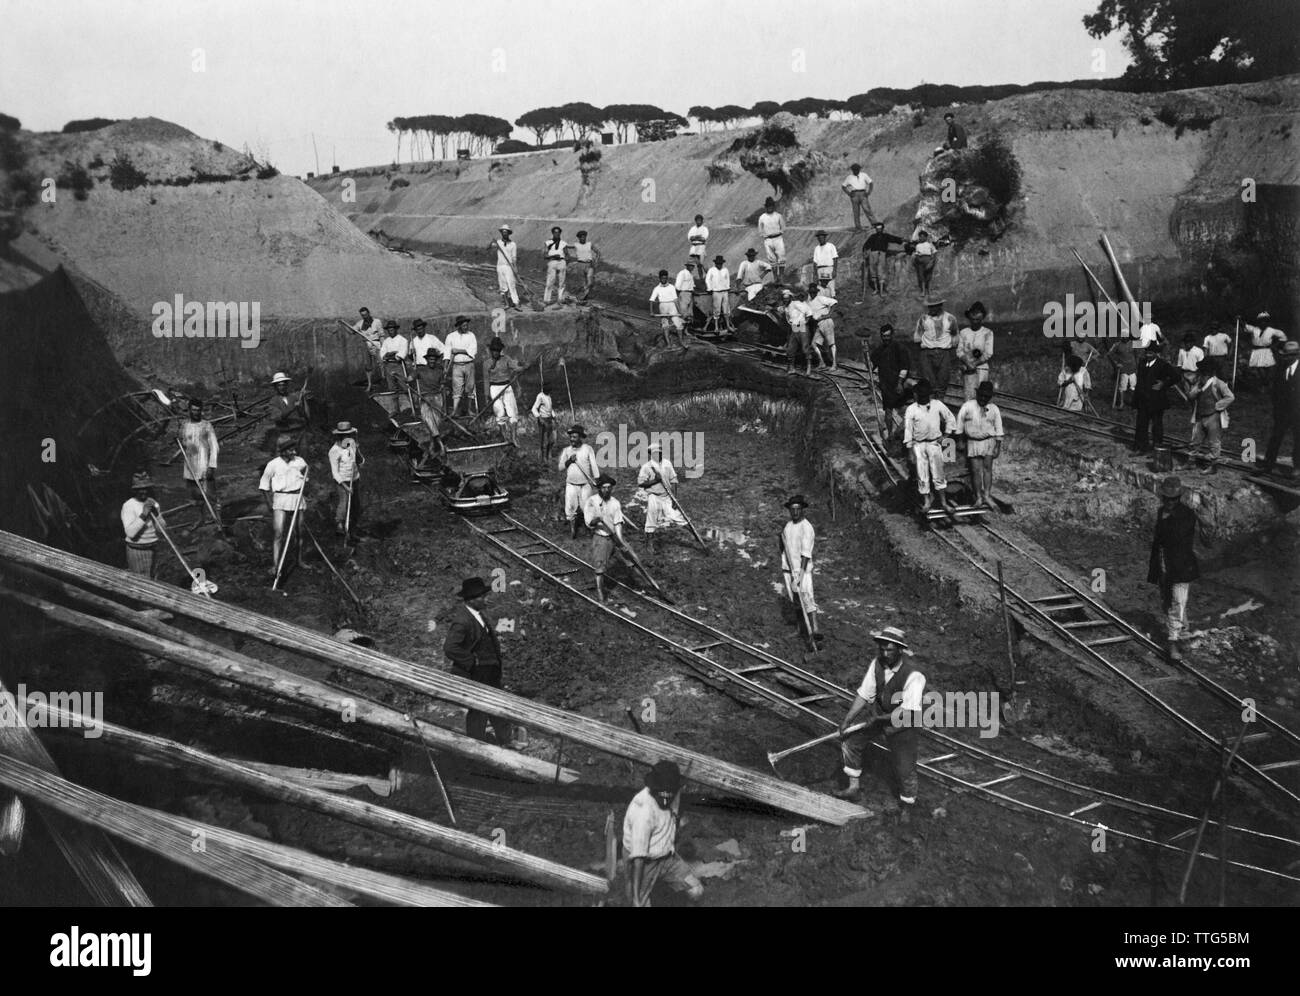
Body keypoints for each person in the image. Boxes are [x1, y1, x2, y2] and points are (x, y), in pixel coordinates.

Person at [835, 627, 924, 814]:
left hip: (904, 723)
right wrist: (847, 720)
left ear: (900, 649)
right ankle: (853, 788)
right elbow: (864, 693)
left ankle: (907, 807)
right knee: (851, 741)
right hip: (880, 715)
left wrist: (878, 720)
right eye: (882, 649)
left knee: (904, 767)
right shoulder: (877, 663)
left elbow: (906, 711)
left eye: (889, 650)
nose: (885, 653)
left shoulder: (914, 675)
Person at [443, 576, 520, 746]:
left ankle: (505, 741)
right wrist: (473, 661)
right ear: (471, 600)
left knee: (497, 706)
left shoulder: (479, 615)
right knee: (479, 710)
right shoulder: (463, 620)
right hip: (476, 673)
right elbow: (450, 648)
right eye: (482, 597)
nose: (486, 599)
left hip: (489, 672)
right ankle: (474, 747)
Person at [622, 760, 703, 907]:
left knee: (696, 889)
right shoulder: (643, 811)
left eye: (670, 794)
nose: (666, 798)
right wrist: (636, 899)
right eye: (663, 794)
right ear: (654, 789)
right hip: (645, 862)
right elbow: (638, 858)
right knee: (638, 903)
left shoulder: (672, 792)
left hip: (667, 856)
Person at [1147, 476, 1199, 661]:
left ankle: (1173, 643)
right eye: (1167, 499)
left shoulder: (1187, 515)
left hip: (1181, 566)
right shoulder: (1162, 512)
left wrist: (1169, 519)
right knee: (1169, 602)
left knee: (1177, 602)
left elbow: (1177, 537)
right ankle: (1183, 635)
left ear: (1179, 498)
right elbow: (1158, 540)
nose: (1170, 502)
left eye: (1174, 499)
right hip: (1164, 564)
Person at [259, 434, 310, 577]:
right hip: (280, 499)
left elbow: (306, 475)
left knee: (300, 531)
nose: (293, 452)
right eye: (290, 449)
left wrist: (306, 474)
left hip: (297, 499)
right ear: (282, 451)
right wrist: (270, 504)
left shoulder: (300, 462)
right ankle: (276, 566)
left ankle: (299, 560)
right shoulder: (273, 464)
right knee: (278, 533)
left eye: (294, 448)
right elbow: (264, 486)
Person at [903, 379, 956, 513]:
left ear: (929, 395)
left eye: (925, 395)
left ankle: (943, 503)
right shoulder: (911, 409)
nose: (923, 397)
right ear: (917, 395)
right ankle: (927, 502)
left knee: (939, 473)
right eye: (920, 394)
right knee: (922, 475)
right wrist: (910, 451)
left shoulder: (937, 405)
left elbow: (950, 418)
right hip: (918, 445)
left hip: (934, 443)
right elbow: (908, 430)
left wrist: (946, 435)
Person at [779, 494, 821, 642]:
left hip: (801, 571)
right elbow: (783, 546)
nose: (795, 512)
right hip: (788, 569)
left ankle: (814, 631)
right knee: (795, 600)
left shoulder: (806, 528)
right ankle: (800, 629)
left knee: (807, 599)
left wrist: (800, 576)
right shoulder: (788, 527)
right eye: (792, 509)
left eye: (798, 509)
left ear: (802, 510)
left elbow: (806, 554)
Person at [956, 382, 1004, 508]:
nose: (983, 399)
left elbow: (999, 428)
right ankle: (978, 497)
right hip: (973, 442)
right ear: (977, 394)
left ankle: (987, 495)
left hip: (989, 441)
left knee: (987, 469)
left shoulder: (994, 409)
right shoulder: (968, 406)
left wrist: (997, 446)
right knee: (975, 470)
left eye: (986, 397)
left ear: (990, 397)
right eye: (981, 395)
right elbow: (959, 424)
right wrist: (960, 440)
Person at [1186, 358, 1234, 474]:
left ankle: (1213, 466)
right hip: (1200, 415)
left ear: (1210, 373)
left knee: (1214, 442)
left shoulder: (1218, 384)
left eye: (1205, 372)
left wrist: (1218, 406)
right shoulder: (1199, 383)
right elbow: (1190, 396)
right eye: (1202, 372)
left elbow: (1230, 397)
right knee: (1195, 440)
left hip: (1213, 416)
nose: (1202, 374)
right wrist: (1197, 390)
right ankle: (1191, 462)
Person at [1260, 340, 1300, 478]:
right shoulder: (1281, 369)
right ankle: (1268, 465)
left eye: (1288, 356)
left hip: (1298, 412)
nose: (1285, 358)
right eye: (1284, 356)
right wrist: (1277, 409)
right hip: (1282, 412)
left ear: (1296, 356)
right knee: (1275, 437)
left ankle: (1297, 467)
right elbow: (1275, 391)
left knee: (1298, 440)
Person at [178, 397, 221, 524]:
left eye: (198, 410)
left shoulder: (207, 425)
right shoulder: (184, 426)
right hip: (190, 465)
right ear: (189, 410)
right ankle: (201, 519)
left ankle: (218, 520)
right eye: (193, 410)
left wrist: (211, 466)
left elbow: (214, 447)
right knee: (196, 496)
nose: (195, 412)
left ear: (201, 411)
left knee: (211, 495)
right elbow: (183, 442)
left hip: (204, 465)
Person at [637, 442, 686, 549]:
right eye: (654, 453)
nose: (657, 455)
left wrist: (675, 498)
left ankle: (694, 536)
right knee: (651, 519)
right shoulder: (647, 467)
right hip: (654, 496)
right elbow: (641, 483)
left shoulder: (667, 464)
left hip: (667, 496)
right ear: (651, 454)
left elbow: (674, 480)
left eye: (659, 453)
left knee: (677, 516)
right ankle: (649, 544)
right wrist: (655, 480)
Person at [583, 474, 624, 603]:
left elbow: (618, 522)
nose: (607, 490)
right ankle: (600, 592)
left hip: (612, 538)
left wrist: (620, 539)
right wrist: (597, 519)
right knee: (600, 566)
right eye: (604, 488)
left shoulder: (615, 503)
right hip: (600, 537)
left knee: (620, 561)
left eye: (609, 487)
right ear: (599, 488)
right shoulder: (591, 502)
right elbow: (589, 522)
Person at [870, 323, 911, 443]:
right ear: (881, 336)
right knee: (888, 411)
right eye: (883, 336)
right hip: (886, 385)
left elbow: (905, 367)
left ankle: (904, 435)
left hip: (899, 384)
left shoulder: (900, 348)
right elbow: (871, 366)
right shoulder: (879, 350)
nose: (886, 338)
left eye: (888, 336)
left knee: (904, 411)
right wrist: (865, 354)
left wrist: (899, 383)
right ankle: (891, 436)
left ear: (892, 335)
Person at [559, 425, 600, 539]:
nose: (572, 439)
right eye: (571, 437)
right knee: (571, 508)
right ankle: (573, 531)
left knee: (587, 508)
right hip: (571, 484)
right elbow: (561, 467)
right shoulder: (567, 451)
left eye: (575, 437)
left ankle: (591, 530)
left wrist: (597, 480)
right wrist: (569, 461)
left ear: (580, 438)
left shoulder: (587, 449)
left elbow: (594, 466)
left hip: (585, 484)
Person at [1133, 341, 1175, 452]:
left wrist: (1163, 384)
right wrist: (1136, 398)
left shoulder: (1162, 364)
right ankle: (1141, 447)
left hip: (1156, 400)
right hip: (1143, 400)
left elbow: (1176, 376)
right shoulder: (1142, 363)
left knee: (1157, 426)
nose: (1148, 355)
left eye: (1151, 353)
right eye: (1146, 353)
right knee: (1141, 425)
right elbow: (1140, 381)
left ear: (1156, 354)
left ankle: (1157, 449)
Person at [482, 337, 522, 446]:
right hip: (494, 389)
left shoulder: (506, 359)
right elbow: (486, 380)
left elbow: (515, 367)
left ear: (500, 350)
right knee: (500, 413)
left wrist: (522, 367)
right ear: (491, 351)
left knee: (512, 412)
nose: (496, 352)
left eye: (497, 350)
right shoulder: (486, 363)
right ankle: (504, 437)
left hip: (506, 386)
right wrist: (486, 396)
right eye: (493, 350)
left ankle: (513, 437)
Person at [121, 471, 162, 578]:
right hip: (137, 550)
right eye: (140, 489)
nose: (143, 492)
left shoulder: (153, 503)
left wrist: (157, 515)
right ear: (134, 490)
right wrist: (144, 515)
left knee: (154, 578)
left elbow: (161, 530)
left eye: (146, 488)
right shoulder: (129, 506)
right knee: (140, 582)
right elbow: (130, 533)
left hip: (153, 547)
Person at [914, 297, 957, 396]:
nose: (931, 309)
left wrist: (952, 356)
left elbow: (955, 337)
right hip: (927, 352)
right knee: (928, 382)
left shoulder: (950, 318)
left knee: (943, 381)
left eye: (934, 306)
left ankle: (940, 405)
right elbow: (917, 338)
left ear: (940, 306)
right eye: (930, 306)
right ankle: (930, 405)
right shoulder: (923, 319)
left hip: (944, 352)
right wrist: (921, 356)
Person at [327, 421, 362, 537]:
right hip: (342, 481)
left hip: (354, 478)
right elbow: (335, 473)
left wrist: (357, 450)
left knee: (355, 504)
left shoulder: (352, 445)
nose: (348, 438)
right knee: (344, 502)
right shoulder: (334, 451)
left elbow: (361, 461)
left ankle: (353, 527)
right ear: (339, 436)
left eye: (350, 435)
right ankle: (340, 526)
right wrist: (346, 487)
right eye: (345, 436)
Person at [956, 302, 993, 399]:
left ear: (982, 319)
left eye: (978, 320)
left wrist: (975, 364)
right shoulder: (964, 332)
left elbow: (988, 353)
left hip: (982, 368)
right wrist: (967, 363)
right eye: (973, 319)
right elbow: (959, 351)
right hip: (968, 369)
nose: (975, 322)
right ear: (969, 318)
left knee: (981, 397)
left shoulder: (987, 333)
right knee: (969, 397)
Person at [445, 315, 479, 417]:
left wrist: (459, 350)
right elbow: (447, 353)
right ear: (459, 326)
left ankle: (469, 410)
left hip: (469, 365)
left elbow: (473, 351)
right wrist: (445, 367)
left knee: (470, 387)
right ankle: (455, 411)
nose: (466, 327)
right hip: (457, 366)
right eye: (464, 325)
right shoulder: (450, 336)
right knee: (457, 388)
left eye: (467, 325)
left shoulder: (471, 335)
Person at [268, 371, 310, 450]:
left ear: (287, 385)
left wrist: (303, 399)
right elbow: (278, 417)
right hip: (285, 435)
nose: (282, 387)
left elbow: (304, 415)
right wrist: (293, 407)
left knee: (302, 459)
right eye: (279, 385)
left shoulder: (294, 397)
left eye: (284, 385)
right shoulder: (273, 401)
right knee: (288, 458)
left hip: (300, 432)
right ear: (275, 387)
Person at [1246, 311, 1286, 390]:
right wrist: (1238, 319)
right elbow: (1244, 325)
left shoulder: (1271, 330)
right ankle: (1264, 384)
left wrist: (1275, 345)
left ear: (1267, 322)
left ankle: (1268, 384)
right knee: (1259, 369)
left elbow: (1283, 337)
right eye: (1261, 321)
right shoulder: (1254, 329)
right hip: (1256, 351)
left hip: (1267, 351)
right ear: (1258, 322)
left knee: (1269, 368)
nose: (1263, 323)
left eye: (1265, 321)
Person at [863, 222, 905, 297]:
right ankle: (876, 289)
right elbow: (866, 245)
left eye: (880, 229)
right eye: (877, 229)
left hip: (881, 254)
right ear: (876, 229)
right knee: (873, 271)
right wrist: (865, 252)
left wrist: (902, 240)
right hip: (873, 254)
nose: (879, 230)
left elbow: (894, 239)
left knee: (881, 272)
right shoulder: (872, 236)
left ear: (882, 229)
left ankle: (881, 291)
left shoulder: (886, 236)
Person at [409, 318, 446, 402]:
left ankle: (439, 407)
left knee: (434, 390)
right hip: (420, 368)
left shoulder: (431, 338)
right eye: (417, 329)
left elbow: (443, 349)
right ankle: (422, 409)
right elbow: (411, 357)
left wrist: (438, 361)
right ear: (415, 330)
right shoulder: (413, 341)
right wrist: (411, 354)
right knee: (421, 391)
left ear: (424, 328)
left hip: (431, 367)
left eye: (421, 328)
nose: (420, 331)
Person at [650, 270, 687, 349]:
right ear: (659, 278)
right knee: (665, 325)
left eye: (665, 278)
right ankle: (668, 344)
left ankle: (681, 342)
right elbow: (651, 300)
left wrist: (679, 311)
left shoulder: (671, 287)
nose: (664, 280)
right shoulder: (656, 288)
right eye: (662, 278)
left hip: (672, 305)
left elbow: (676, 300)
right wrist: (651, 312)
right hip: (663, 305)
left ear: (667, 278)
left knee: (678, 323)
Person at [352, 306, 385, 393]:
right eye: (363, 315)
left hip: (376, 343)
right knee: (368, 366)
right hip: (366, 345)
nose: (365, 317)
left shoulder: (377, 322)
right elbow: (352, 331)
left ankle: (384, 380)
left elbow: (381, 335)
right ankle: (370, 384)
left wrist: (383, 347)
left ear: (369, 313)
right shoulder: (360, 323)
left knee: (381, 363)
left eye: (366, 314)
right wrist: (342, 324)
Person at [807, 281, 838, 370]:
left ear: (817, 292)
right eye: (811, 292)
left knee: (831, 343)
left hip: (826, 322)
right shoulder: (809, 302)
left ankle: (834, 365)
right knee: (814, 344)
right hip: (818, 325)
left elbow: (834, 302)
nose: (812, 294)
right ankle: (822, 363)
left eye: (814, 292)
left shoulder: (821, 298)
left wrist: (828, 315)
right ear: (809, 292)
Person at [378, 320, 411, 403]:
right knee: (392, 388)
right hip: (388, 365)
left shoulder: (402, 340)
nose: (390, 331)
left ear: (396, 329)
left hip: (399, 365)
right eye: (389, 330)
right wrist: (388, 355)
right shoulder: (386, 341)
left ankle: (413, 405)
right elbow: (382, 353)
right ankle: (395, 408)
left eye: (392, 329)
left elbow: (402, 354)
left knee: (404, 385)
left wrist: (393, 355)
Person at [783, 289, 814, 376]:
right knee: (791, 348)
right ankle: (792, 368)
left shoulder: (801, 304)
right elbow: (788, 318)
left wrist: (805, 322)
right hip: (794, 326)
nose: (785, 300)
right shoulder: (787, 307)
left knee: (805, 347)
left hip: (802, 326)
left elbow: (809, 315)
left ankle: (809, 367)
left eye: (787, 298)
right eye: (784, 299)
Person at [490, 225, 520, 309]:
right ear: (501, 233)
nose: (504, 234)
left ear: (508, 234)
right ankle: (506, 304)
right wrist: (492, 243)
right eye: (503, 232)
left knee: (512, 285)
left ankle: (516, 303)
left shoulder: (513, 244)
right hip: (500, 266)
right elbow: (489, 248)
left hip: (509, 266)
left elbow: (514, 258)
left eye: (506, 232)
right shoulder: (498, 243)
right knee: (503, 286)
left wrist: (515, 268)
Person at [757, 197, 786, 279]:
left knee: (781, 258)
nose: (769, 207)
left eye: (771, 206)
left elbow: (783, 227)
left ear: (773, 206)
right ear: (765, 207)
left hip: (778, 238)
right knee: (772, 260)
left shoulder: (778, 216)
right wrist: (765, 235)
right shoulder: (762, 217)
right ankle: (775, 277)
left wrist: (778, 233)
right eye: (768, 206)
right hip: (768, 240)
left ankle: (781, 277)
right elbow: (760, 230)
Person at [840, 163, 875, 230]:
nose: (855, 171)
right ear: (852, 170)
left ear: (859, 169)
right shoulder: (849, 177)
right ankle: (858, 226)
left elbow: (871, 183)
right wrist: (849, 193)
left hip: (863, 193)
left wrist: (869, 192)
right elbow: (843, 186)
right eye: (854, 170)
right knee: (856, 211)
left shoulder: (864, 175)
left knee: (867, 209)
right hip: (854, 194)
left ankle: (874, 224)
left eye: (857, 169)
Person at [704, 254, 732, 333]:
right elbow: (707, 280)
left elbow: (728, 279)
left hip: (725, 291)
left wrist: (727, 287)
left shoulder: (725, 270)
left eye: (720, 264)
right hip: (716, 292)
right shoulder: (711, 270)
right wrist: (709, 288)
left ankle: (728, 326)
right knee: (717, 309)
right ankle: (716, 327)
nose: (719, 265)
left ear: (722, 263)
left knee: (726, 309)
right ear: (715, 263)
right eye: (718, 264)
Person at [543, 226, 568, 306]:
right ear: (552, 233)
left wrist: (565, 259)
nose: (557, 234)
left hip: (562, 262)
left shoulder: (563, 243)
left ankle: (560, 299)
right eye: (555, 232)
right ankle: (547, 300)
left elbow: (567, 254)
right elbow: (544, 255)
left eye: (558, 232)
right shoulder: (548, 243)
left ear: (560, 233)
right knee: (550, 281)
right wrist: (553, 256)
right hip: (552, 262)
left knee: (562, 281)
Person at [531, 386, 557, 463]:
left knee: (553, 438)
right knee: (543, 439)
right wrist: (539, 417)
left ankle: (549, 453)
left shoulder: (549, 396)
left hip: (550, 419)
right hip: (543, 419)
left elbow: (550, 408)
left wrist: (554, 417)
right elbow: (534, 408)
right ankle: (543, 457)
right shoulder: (540, 396)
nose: (548, 392)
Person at [571, 230, 598, 302]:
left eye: (584, 237)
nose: (583, 239)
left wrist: (596, 261)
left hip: (589, 264)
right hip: (580, 264)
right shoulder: (576, 245)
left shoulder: (590, 244)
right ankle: (584, 297)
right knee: (582, 282)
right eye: (582, 237)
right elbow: (566, 246)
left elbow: (598, 252)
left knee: (590, 282)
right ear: (579, 238)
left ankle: (583, 295)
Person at [810, 230, 838, 297]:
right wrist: (815, 274)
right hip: (820, 269)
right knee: (821, 287)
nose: (820, 239)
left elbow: (835, 258)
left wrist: (834, 270)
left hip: (829, 268)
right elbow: (815, 262)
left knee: (831, 286)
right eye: (819, 238)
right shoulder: (817, 248)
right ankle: (823, 300)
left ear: (825, 237)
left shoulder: (831, 246)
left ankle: (833, 300)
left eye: (822, 237)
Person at [911, 229, 939, 295]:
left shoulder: (930, 244)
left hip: (928, 260)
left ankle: (928, 291)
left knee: (928, 276)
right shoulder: (918, 246)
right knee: (921, 276)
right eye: (920, 236)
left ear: (926, 237)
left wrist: (932, 262)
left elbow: (934, 253)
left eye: (923, 236)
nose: (921, 238)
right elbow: (917, 254)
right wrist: (917, 259)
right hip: (920, 261)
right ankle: (923, 291)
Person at [1177, 332, 1204, 397]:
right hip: (1185, 374)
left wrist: (1200, 377)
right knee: (1186, 394)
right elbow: (1179, 365)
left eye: (1189, 342)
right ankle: (1189, 406)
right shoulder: (1181, 351)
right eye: (1186, 342)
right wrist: (1180, 376)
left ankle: (1195, 406)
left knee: (1194, 394)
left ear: (1193, 342)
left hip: (1195, 375)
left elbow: (1202, 365)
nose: (1187, 343)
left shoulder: (1198, 351)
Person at [674, 260, 698, 330]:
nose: (692, 267)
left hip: (690, 294)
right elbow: (677, 286)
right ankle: (680, 329)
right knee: (683, 313)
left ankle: (686, 330)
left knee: (689, 314)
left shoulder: (690, 275)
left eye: (693, 266)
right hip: (684, 293)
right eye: (690, 266)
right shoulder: (682, 273)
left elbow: (692, 286)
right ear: (687, 266)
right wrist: (679, 296)